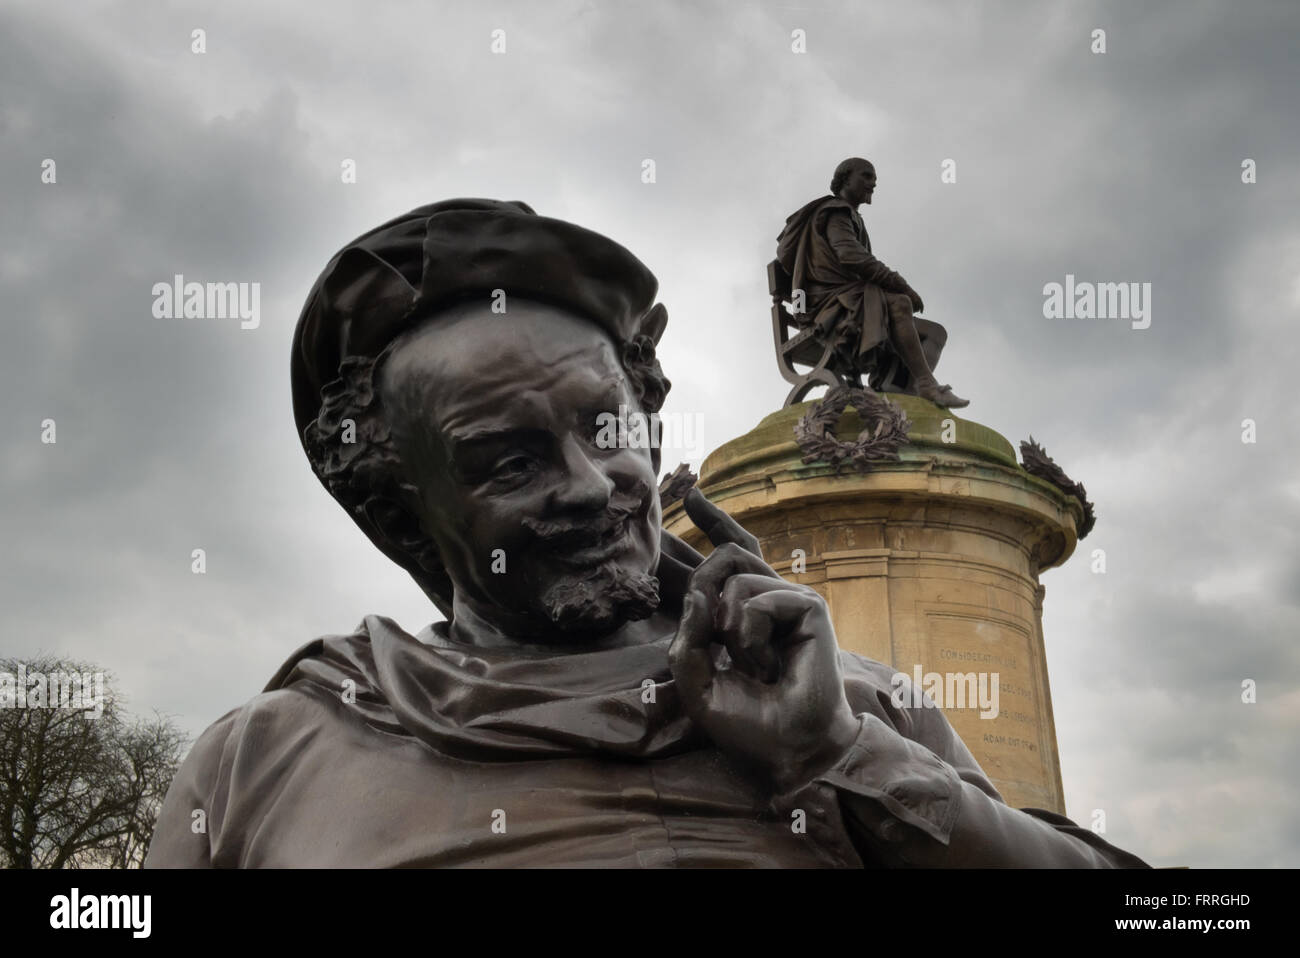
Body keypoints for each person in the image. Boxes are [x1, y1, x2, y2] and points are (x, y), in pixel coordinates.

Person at [144, 199, 1142, 867]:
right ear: (397, 505)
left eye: (608, 427)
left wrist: (838, 757)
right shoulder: (260, 763)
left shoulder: (854, 706)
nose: (593, 486)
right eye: (511, 462)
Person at [777, 158, 969, 408]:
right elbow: (851, 256)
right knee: (899, 303)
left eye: (874, 179)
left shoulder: (851, 216)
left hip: (849, 302)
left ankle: (899, 395)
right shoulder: (837, 211)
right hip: (830, 308)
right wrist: (901, 285)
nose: (873, 183)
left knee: (935, 334)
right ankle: (926, 384)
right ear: (845, 179)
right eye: (866, 176)